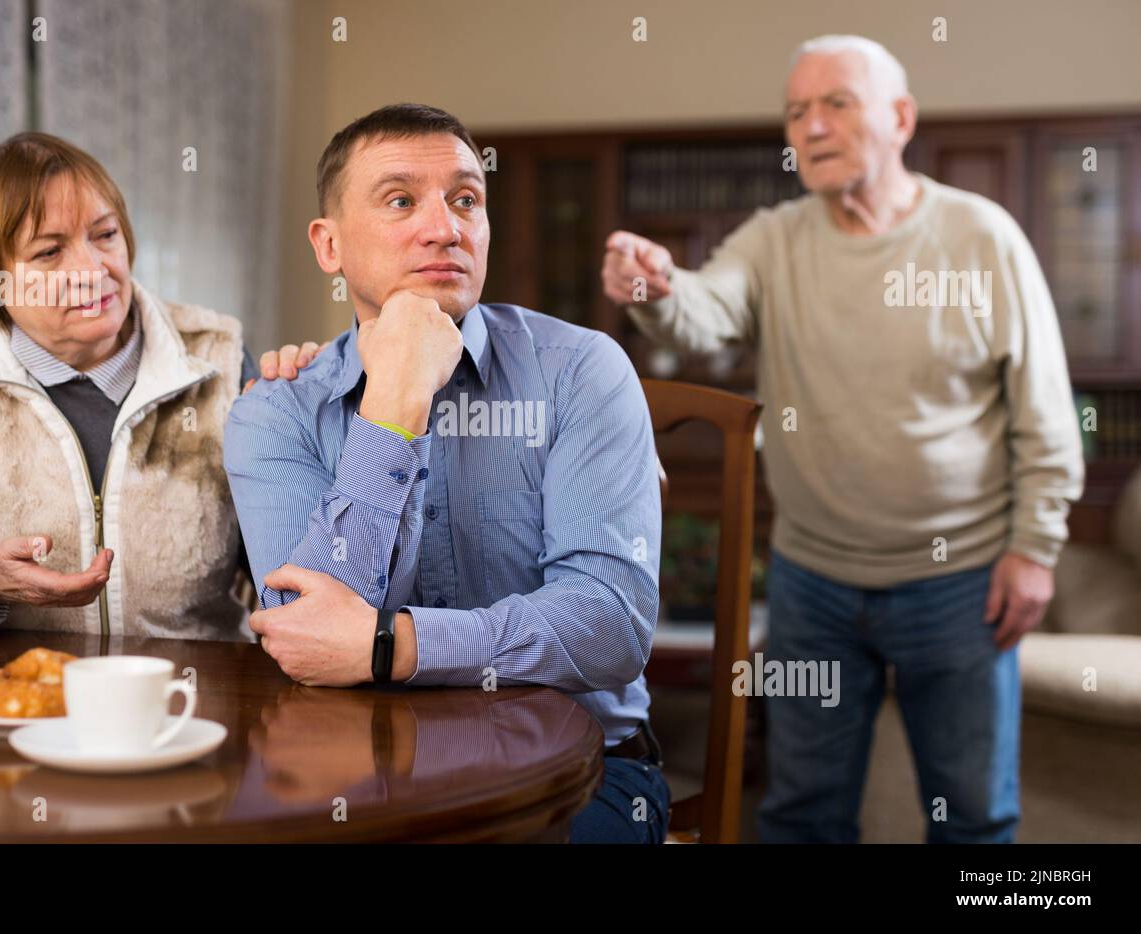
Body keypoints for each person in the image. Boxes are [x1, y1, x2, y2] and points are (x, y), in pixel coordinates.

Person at [602, 35, 1084, 843]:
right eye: (796, 111)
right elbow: (702, 309)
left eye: (836, 103)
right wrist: (656, 285)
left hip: (961, 581)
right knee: (802, 816)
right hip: (813, 581)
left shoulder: (981, 237)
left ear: (899, 117)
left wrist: (1034, 548)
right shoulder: (774, 238)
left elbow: (1045, 408)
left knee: (972, 819)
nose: (812, 126)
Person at [225, 103, 669, 843]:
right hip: (359, 779)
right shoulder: (275, 411)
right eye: (401, 201)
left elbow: (609, 626)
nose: (447, 227)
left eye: (466, 200)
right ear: (328, 245)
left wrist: (391, 645)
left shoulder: (583, 371)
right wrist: (396, 404)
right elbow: (305, 641)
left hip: (584, 775)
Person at [0, 132, 317, 637]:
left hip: (187, 705)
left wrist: (307, 432)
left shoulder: (216, 356)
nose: (92, 271)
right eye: (49, 253)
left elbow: (291, 579)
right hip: (1, 703)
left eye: (105, 235)